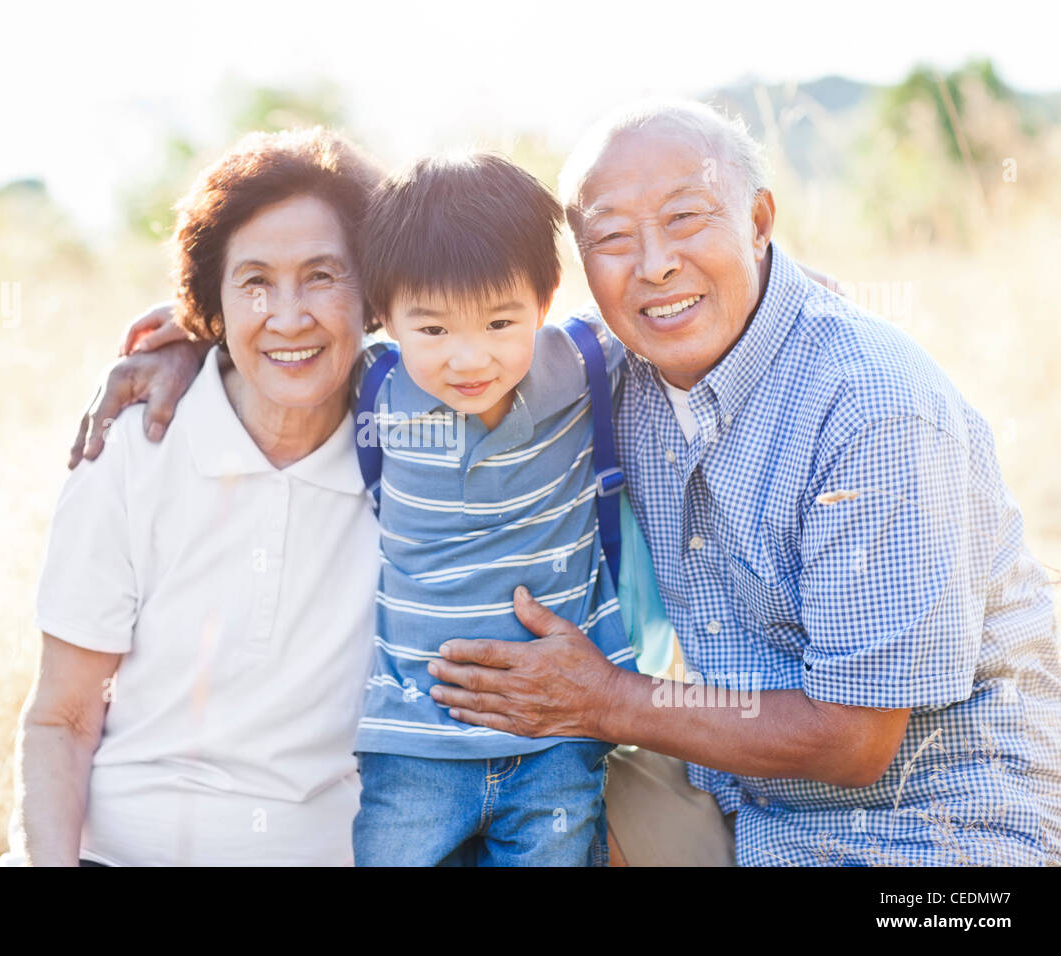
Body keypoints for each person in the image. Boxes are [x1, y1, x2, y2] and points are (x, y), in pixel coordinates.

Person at [425, 100, 1061, 866]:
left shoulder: (875, 410)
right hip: (735, 794)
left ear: (759, 221)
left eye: (687, 219)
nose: (654, 263)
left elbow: (855, 738)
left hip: (939, 829)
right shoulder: (615, 368)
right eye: (614, 237)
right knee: (471, 809)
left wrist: (604, 701)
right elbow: (443, 357)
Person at [2, 127, 385, 865]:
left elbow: (498, 327)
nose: (289, 314)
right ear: (210, 301)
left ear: (372, 290)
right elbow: (64, 717)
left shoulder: (414, 445)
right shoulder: (131, 445)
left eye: (321, 275)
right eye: (255, 282)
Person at [346, 153, 670, 866]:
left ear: (544, 301)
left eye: (500, 322)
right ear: (386, 315)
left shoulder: (580, 362)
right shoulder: (370, 384)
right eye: (432, 331)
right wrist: (176, 339)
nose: (469, 359)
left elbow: (681, 311)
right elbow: (266, 354)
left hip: (555, 743)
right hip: (414, 744)